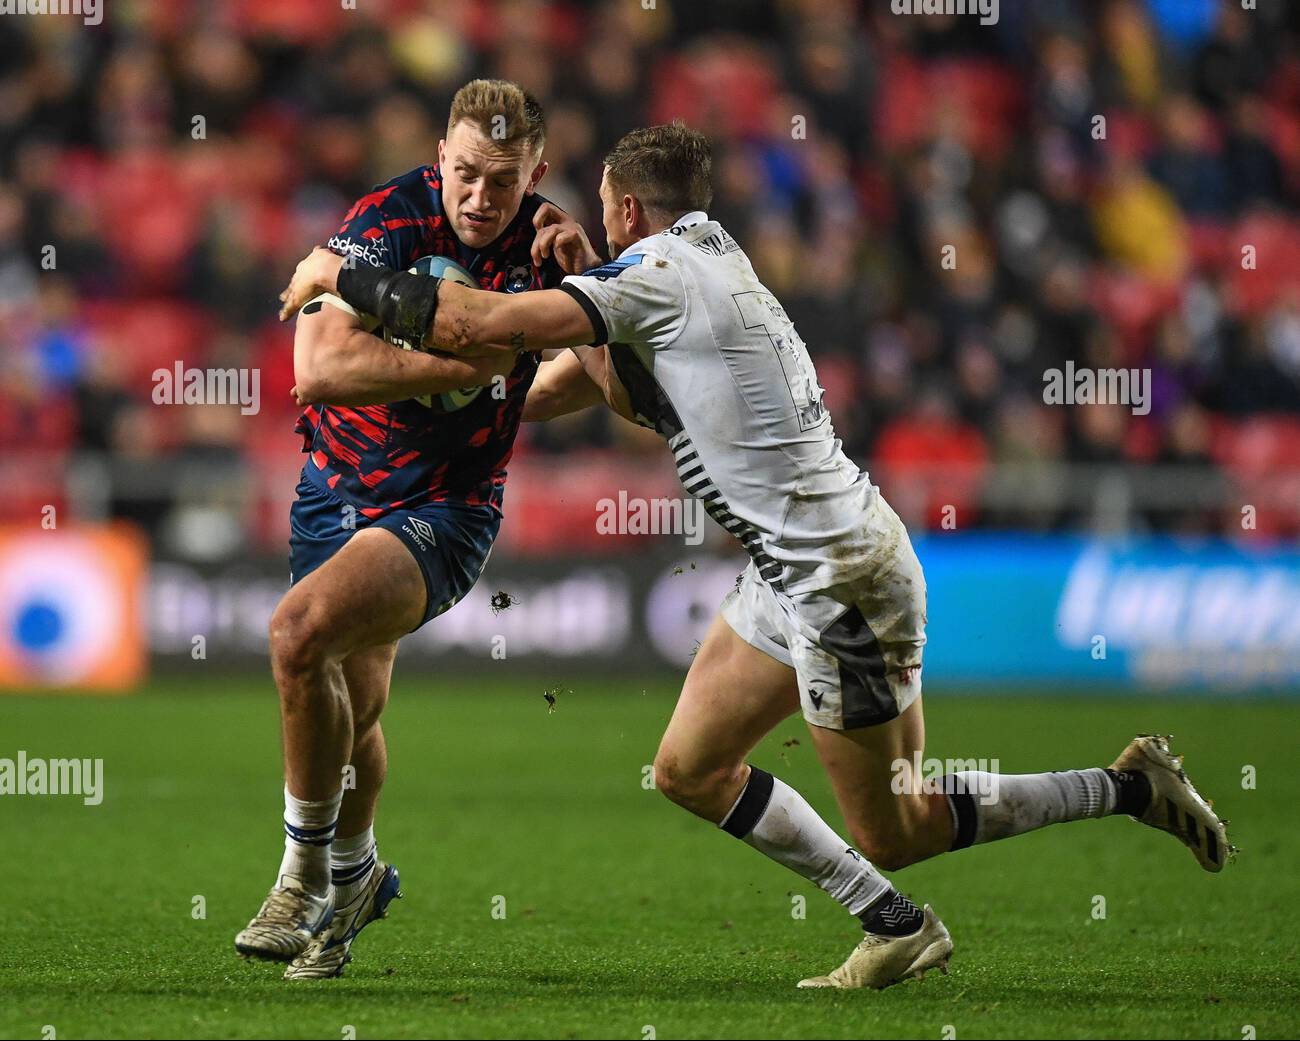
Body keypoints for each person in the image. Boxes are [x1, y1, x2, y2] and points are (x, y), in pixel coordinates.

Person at [277, 122, 1233, 990]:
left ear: (621, 205)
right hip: (792, 565)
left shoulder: (650, 274)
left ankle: (1127, 787)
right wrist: (483, 398)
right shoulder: (704, 258)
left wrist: (341, 276)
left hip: (841, 579)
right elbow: (604, 388)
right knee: (690, 769)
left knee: (897, 827)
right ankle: (893, 926)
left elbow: (480, 325)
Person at [236, 79, 574, 980]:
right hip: (333, 486)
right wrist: (459, 357)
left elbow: (534, 361)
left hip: (449, 506)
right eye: (465, 173)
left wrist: (475, 359)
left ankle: (301, 876)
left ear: (535, 173)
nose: (478, 197)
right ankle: (356, 880)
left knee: (297, 634)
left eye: (503, 181)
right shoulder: (384, 215)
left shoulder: (550, 253)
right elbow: (319, 370)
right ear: (440, 158)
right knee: (355, 703)